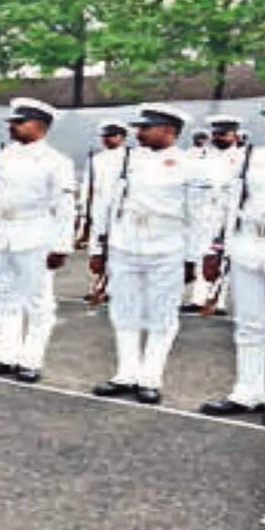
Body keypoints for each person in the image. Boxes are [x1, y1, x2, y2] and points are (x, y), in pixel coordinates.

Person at [199, 89, 265, 428]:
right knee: (249, 325)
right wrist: (216, 248)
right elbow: (230, 203)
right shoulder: (253, 156)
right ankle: (247, 391)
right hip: (249, 246)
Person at [88, 103, 207, 404]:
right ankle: (125, 374)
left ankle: (150, 377)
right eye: (139, 127)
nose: (138, 132)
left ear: (169, 131)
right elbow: (104, 207)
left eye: (146, 127)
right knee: (123, 311)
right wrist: (97, 248)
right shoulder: (125, 160)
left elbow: (197, 217)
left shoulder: (189, 164)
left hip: (167, 247)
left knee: (162, 316)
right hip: (125, 244)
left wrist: (193, 258)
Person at [0, 98, 75, 383]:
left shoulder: (56, 161)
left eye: (20, 122)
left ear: (40, 126)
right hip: (3, 234)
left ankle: (31, 360)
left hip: (36, 235)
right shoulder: (3, 156)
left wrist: (61, 245)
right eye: (12, 122)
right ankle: (7, 356)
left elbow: (64, 206)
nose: (12, 127)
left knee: (38, 302)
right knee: (5, 298)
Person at [182, 114, 244, 314]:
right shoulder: (203, 157)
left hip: (230, 216)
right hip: (203, 215)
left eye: (223, 134)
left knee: (223, 258)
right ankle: (198, 299)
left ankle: (219, 301)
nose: (218, 137)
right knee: (202, 256)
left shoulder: (243, 158)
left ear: (234, 135)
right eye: (215, 134)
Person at [77, 121, 130, 298]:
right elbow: (88, 186)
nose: (106, 139)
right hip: (98, 209)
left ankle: (110, 287)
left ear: (121, 137)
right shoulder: (97, 159)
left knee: (117, 251)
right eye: (104, 136)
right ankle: (99, 284)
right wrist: (83, 211)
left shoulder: (130, 158)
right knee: (97, 251)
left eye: (111, 136)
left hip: (120, 211)